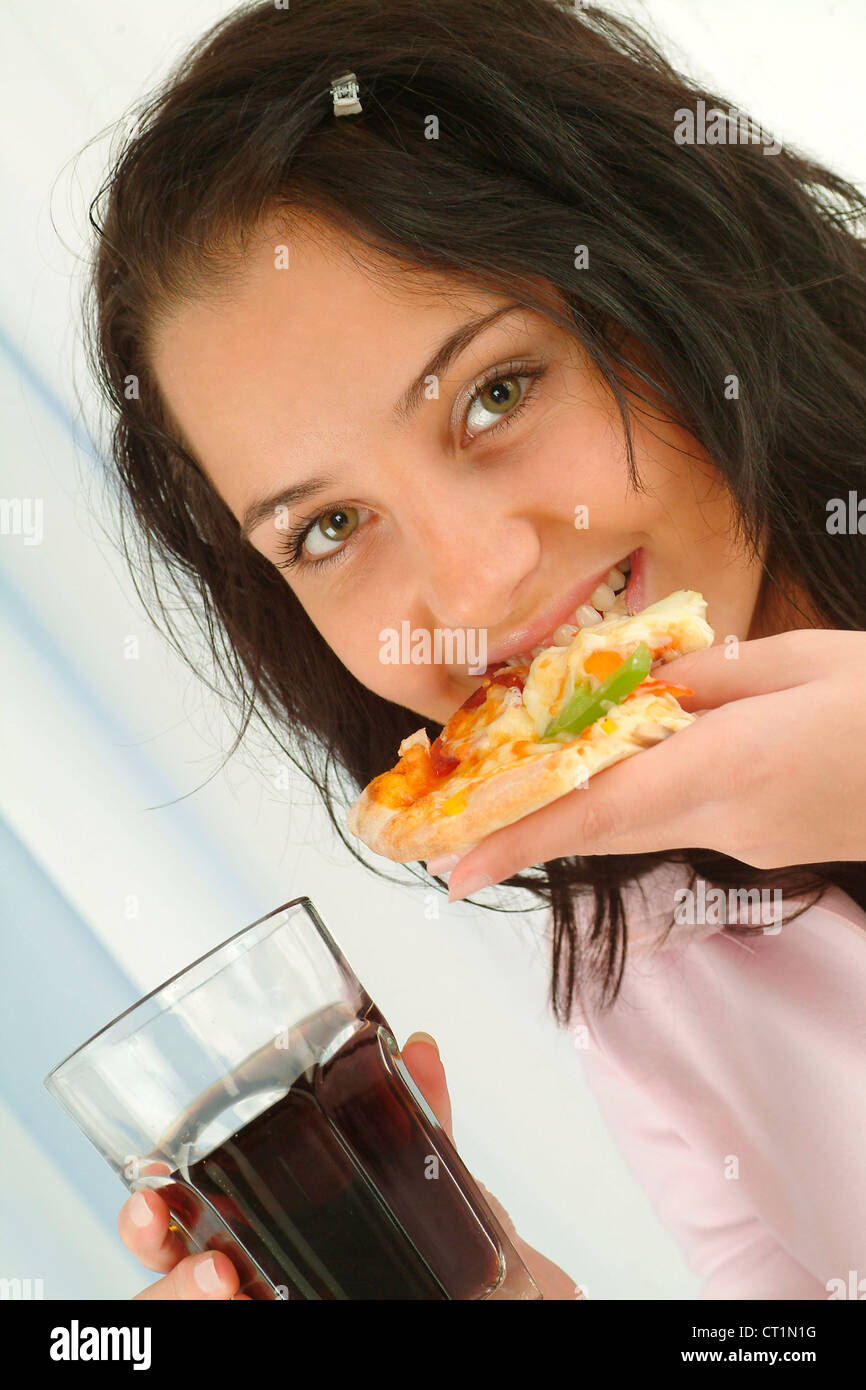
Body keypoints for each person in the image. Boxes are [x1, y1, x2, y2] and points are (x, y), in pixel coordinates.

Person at [81, 0, 866, 1298]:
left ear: (669, 270)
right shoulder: (641, 970)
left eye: (495, 391)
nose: (474, 581)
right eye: (330, 526)